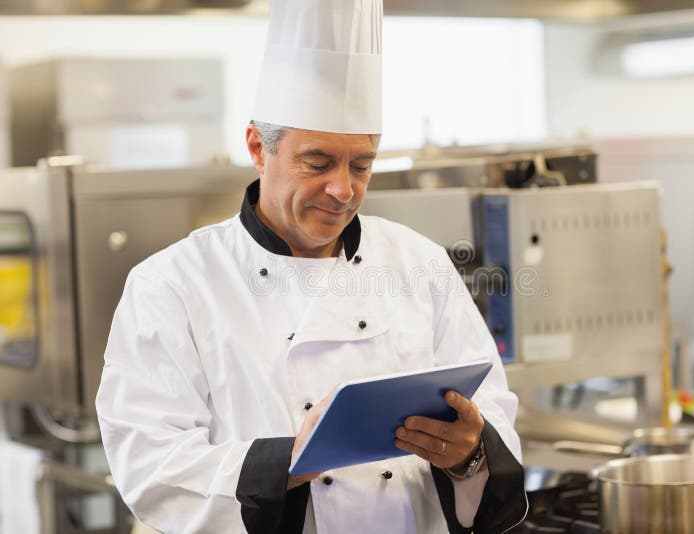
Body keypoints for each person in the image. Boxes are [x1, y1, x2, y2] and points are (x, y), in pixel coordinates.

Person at [95, 1, 527, 532]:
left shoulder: (419, 263)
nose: (343, 190)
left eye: (361, 165)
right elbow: (149, 463)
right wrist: (288, 462)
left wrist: (470, 453)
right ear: (259, 147)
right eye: (317, 162)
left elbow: (494, 411)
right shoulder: (172, 285)